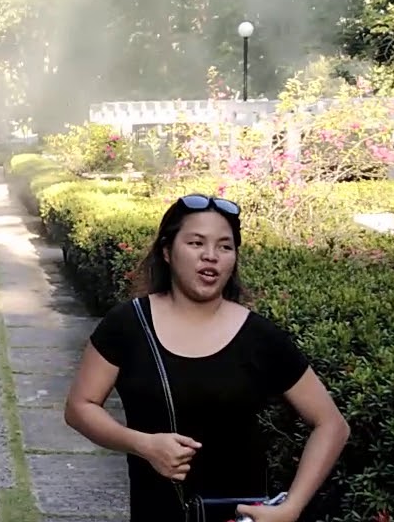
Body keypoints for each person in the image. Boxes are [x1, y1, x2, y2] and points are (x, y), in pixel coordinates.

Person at [62, 195, 349, 522]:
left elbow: (331, 425)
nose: (211, 256)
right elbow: (80, 407)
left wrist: (292, 507)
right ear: (167, 251)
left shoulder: (260, 337)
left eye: (225, 247)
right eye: (196, 243)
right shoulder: (128, 325)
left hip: (239, 514)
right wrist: (142, 444)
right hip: (156, 511)